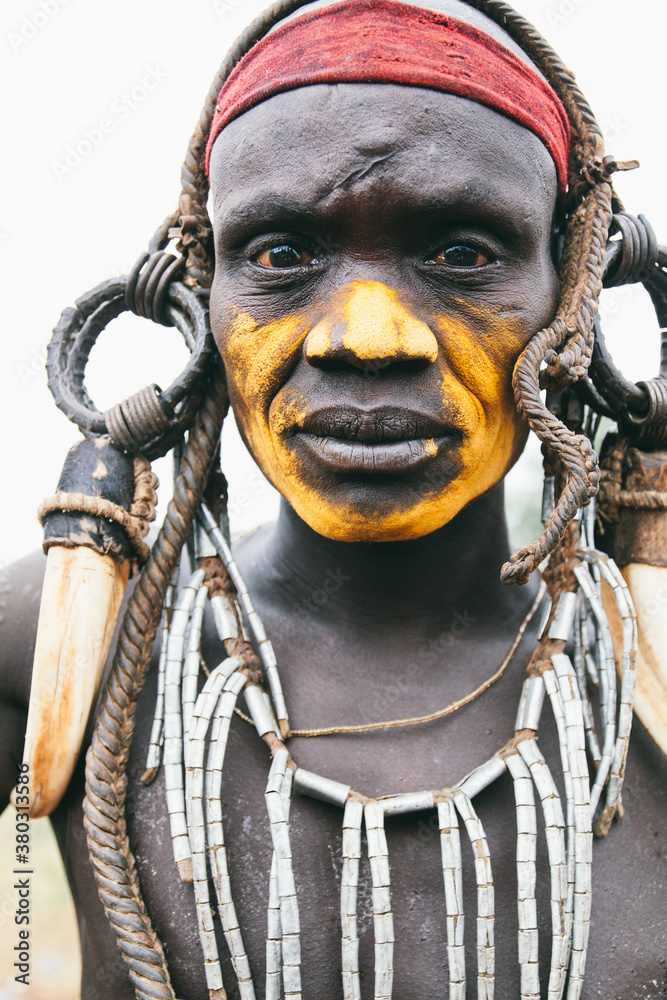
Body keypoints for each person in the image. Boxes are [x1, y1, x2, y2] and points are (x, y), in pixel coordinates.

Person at [1, 1, 666, 998]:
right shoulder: (55, 641)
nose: (366, 334)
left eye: (461, 253)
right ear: (199, 289)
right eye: (281, 254)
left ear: (573, 287)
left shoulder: (645, 674)